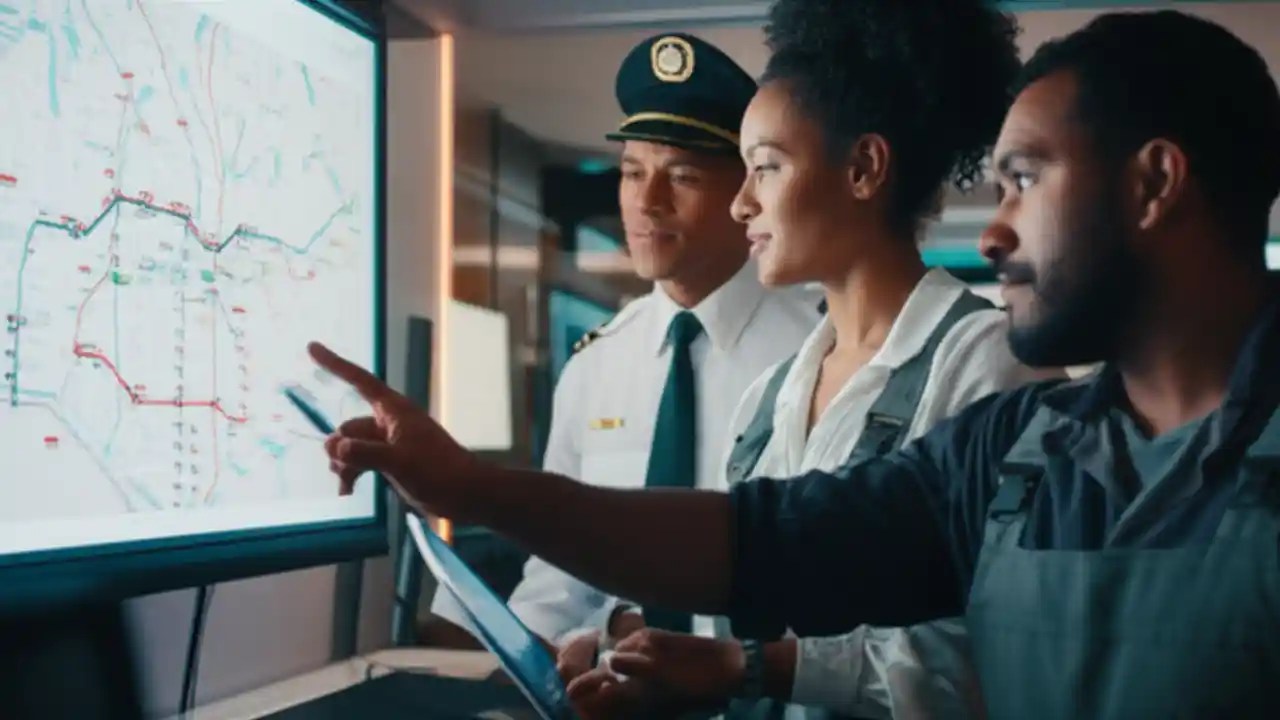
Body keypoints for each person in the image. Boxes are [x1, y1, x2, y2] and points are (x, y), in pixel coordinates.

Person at [310, 10, 1280, 719]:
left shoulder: (984, 378)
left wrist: (749, 666)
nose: (989, 234)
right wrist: (473, 489)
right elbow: (761, 542)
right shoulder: (1021, 449)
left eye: (1024, 181)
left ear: (1153, 184)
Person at [553, 2, 1052, 719]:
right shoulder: (771, 396)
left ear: (863, 168)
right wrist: (651, 670)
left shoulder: (989, 368)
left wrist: (743, 667)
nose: (741, 206)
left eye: (766, 168)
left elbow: (979, 665)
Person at [428, 32, 821, 663]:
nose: (646, 202)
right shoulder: (597, 365)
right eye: (633, 173)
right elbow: (557, 577)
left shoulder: (819, 351)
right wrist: (521, 653)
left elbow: (834, 573)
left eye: (682, 177)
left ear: (746, 195)